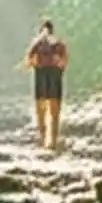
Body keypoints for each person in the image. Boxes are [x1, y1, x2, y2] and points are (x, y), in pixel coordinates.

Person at [23, 20, 68, 149]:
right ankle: (52, 140)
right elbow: (64, 62)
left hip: (41, 74)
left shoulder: (37, 43)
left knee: (40, 109)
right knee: (54, 110)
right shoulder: (59, 43)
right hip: (55, 75)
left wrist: (32, 63)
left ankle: (43, 139)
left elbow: (29, 61)